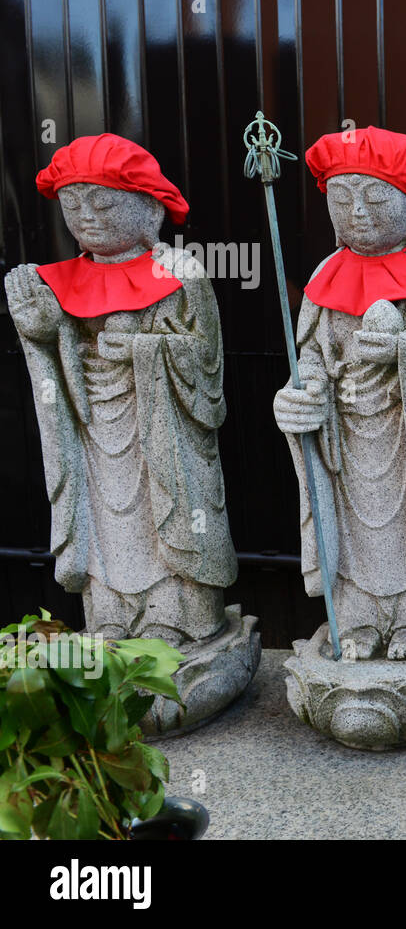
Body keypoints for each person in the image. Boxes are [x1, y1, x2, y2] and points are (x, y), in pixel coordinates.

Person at [5, 133, 236, 646]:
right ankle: (111, 613)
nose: (86, 216)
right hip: (93, 432)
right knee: (106, 516)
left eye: (104, 203)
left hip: (166, 429)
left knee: (170, 512)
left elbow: (206, 360)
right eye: (72, 205)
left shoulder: (180, 272)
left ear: (150, 211)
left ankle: (179, 615)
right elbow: (55, 361)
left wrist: (143, 350)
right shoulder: (60, 282)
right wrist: (44, 333)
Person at [272, 126, 406, 661]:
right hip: (344, 435)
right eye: (342, 199)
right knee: (352, 529)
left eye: (375, 197)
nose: (358, 211)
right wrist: (300, 394)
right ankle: (358, 616)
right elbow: (310, 356)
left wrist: (405, 349)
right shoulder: (325, 274)